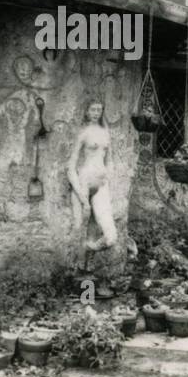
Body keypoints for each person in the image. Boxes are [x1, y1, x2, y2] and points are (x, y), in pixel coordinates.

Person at [67, 99, 118, 265]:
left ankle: (90, 248)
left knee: (110, 238)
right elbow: (71, 166)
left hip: (101, 184)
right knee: (78, 229)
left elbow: (109, 160)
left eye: (99, 110)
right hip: (84, 183)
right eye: (93, 110)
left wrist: (107, 176)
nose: (96, 113)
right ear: (87, 112)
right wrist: (79, 191)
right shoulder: (83, 133)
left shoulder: (105, 133)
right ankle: (80, 270)